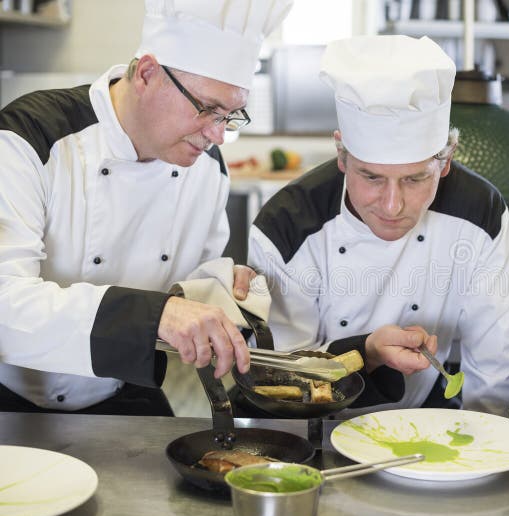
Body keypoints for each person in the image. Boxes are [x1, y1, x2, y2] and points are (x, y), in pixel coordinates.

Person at [0, 0, 293, 415]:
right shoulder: (30, 138)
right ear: (147, 73)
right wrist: (156, 317)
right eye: (207, 109)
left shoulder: (207, 167)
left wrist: (222, 286)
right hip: (11, 398)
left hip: (122, 384)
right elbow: (4, 304)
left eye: (230, 116)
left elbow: (186, 280)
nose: (217, 135)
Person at [240, 35, 509, 416]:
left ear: (446, 160)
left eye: (415, 179)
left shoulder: (480, 211)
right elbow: (287, 378)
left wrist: (479, 454)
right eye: (371, 178)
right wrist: (366, 352)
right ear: (342, 155)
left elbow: (494, 368)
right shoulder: (287, 224)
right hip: (314, 426)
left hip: (431, 417)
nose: (393, 205)